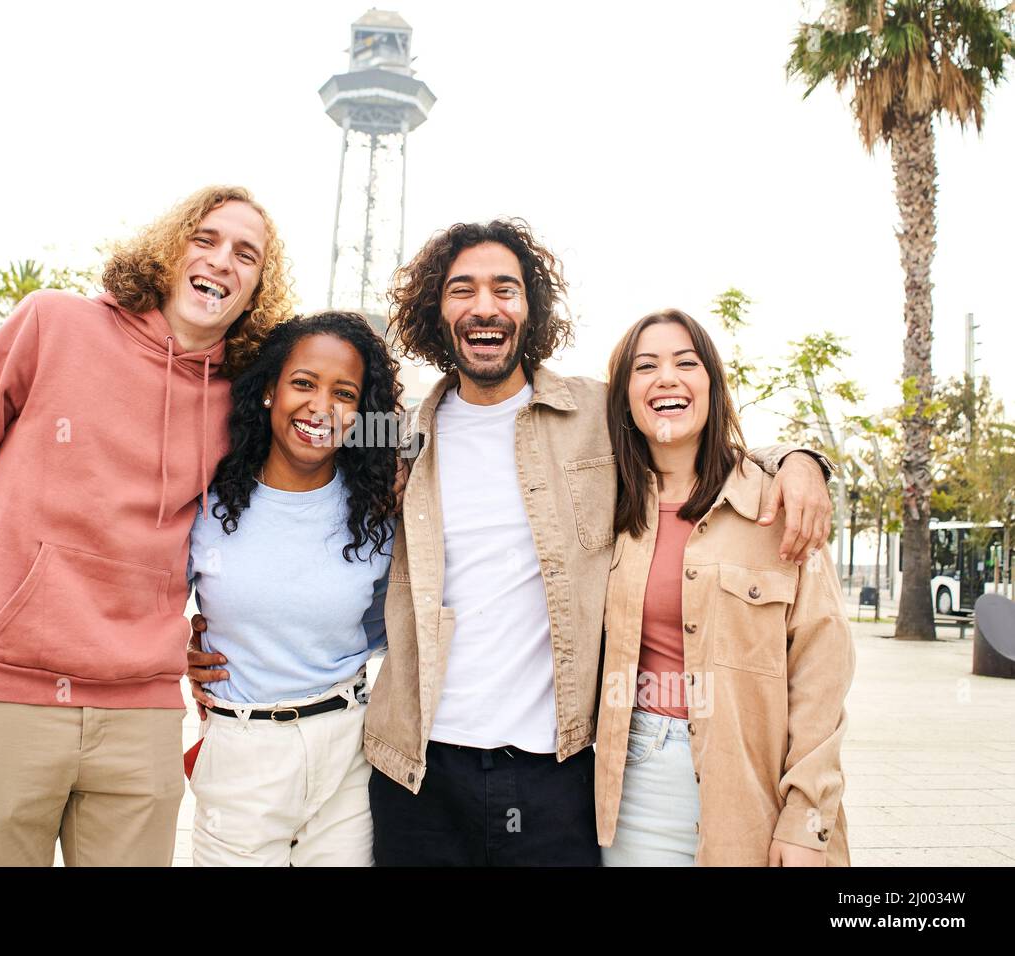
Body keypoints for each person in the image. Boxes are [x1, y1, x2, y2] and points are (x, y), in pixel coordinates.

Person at [363, 218, 834, 866]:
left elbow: (687, 431)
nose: (484, 305)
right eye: (461, 289)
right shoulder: (403, 437)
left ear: (531, 308)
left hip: (554, 775)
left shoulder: (595, 414)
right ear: (434, 311)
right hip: (417, 771)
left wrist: (798, 460)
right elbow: (306, 444)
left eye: (505, 288)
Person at [0, 185, 292, 866]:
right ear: (169, 250)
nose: (222, 261)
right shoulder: (51, 325)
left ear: (257, 290)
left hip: (141, 713)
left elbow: (253, 530)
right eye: (205, 239)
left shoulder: (241, 404)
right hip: (1, 695)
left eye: (247, 255)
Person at [595, 308, 854, 866]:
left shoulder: (777, 502)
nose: (667, 378)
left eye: (686, 363)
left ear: (712, 384)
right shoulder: (602, 504)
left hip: (753, 789)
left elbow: (822, 669)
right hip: (636, 785)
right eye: (645, 366)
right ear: (623, 395)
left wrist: (807, 817)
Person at [183, 312, 401, 866]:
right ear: (269, 392)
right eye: (304, 383)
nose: (321, 407)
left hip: (347, 752)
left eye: (344, 393)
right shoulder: (206, 505)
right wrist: (178, 651)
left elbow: (385, 626)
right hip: (242, 756)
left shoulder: (378, 517)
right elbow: (148, 605)